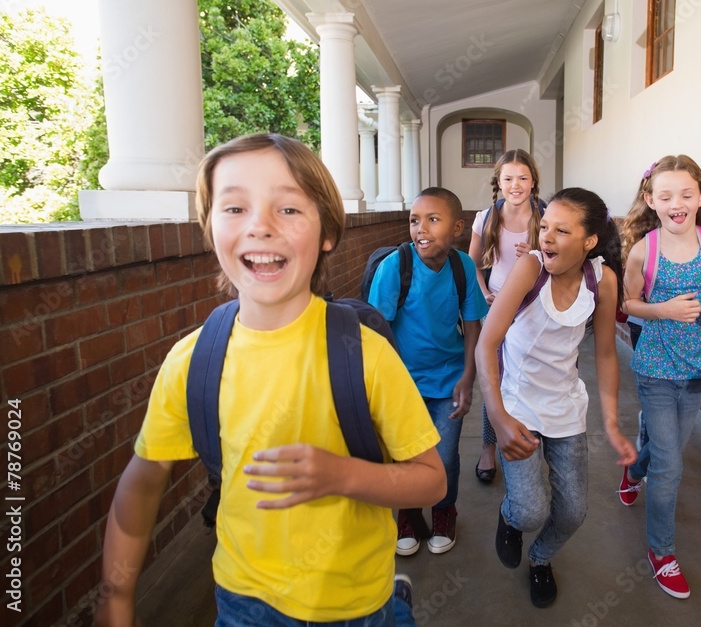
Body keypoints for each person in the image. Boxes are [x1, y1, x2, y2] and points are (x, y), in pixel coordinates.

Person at [93, 134, 445, 627]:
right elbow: (143, 482)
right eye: (234, 208)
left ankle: (396, 599)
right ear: (209, 228)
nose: (259, 226)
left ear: (327, 231)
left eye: (288, 210)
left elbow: (430, 480)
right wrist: (115, 596)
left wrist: (343, 476)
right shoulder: (193, 361)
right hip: (243, 601)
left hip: (358, 605)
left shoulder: (365, 355)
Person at [476, 187, 638, 609]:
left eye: (561, 230)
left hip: (565, 406)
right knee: (529, 510)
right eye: (544, 226)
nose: (546, 237)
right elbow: (486, 343)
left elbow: (605, 353)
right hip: (518, 404)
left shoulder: (601, 280)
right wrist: (497, 414)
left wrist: (612, 423)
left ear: (588, 242)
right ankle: (510, 518)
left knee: (572, 512)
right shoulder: (530, 269)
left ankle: (541, 558)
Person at [617, 155, 701, 600]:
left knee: (665, 450)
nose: (677, 203)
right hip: (654, 367)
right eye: (666, 195)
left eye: (686, 195)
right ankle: (662, 552)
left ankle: (634, 469)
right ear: (650, 200)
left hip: (696, 370)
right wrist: (663, 310)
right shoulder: (642, 250)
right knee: (671, 465)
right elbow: (628, 304)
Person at [369, 187, 489, 557]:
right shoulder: (396, 267)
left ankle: (443, 510)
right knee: (406, 453)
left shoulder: (462, 267)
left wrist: (468, 377)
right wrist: (387, 388)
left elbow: (472, 326)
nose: (421, 228)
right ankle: (407, 513)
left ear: (458, 228)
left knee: (445, 455)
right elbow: (377, 333)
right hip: (403, 382)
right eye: (414, 220)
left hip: (449, 378)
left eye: (433, 220)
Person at [468, 149, 544, 484]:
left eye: (523, 178)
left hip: (536, 309)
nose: (516, 184)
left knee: (531, 377)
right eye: (509, 178)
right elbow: (472, 264)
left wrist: (536, 252)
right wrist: (485, 292)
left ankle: (533, 440)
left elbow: (560, 261)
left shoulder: (545, 216)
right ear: (498, 182)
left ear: (533, 182)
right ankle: (489, 447)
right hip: (497, 309)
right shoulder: (486, 217)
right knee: (495, 381)